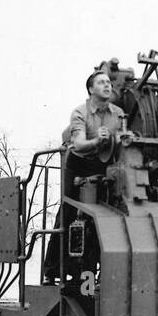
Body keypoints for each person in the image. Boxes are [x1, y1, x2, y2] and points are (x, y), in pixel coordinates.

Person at [43, 69, 126, 283]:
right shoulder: (80, 113)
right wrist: (97, 141)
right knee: (68, 211)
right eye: (101, 83)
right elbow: (79, 144)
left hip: (101, 164)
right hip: (78, 163)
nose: (107, 85)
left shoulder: (117, 113)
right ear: (91, 89)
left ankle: (88, 274)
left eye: (108, 82)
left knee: (103, 214)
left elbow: (123, 137)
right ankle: (51, 269)